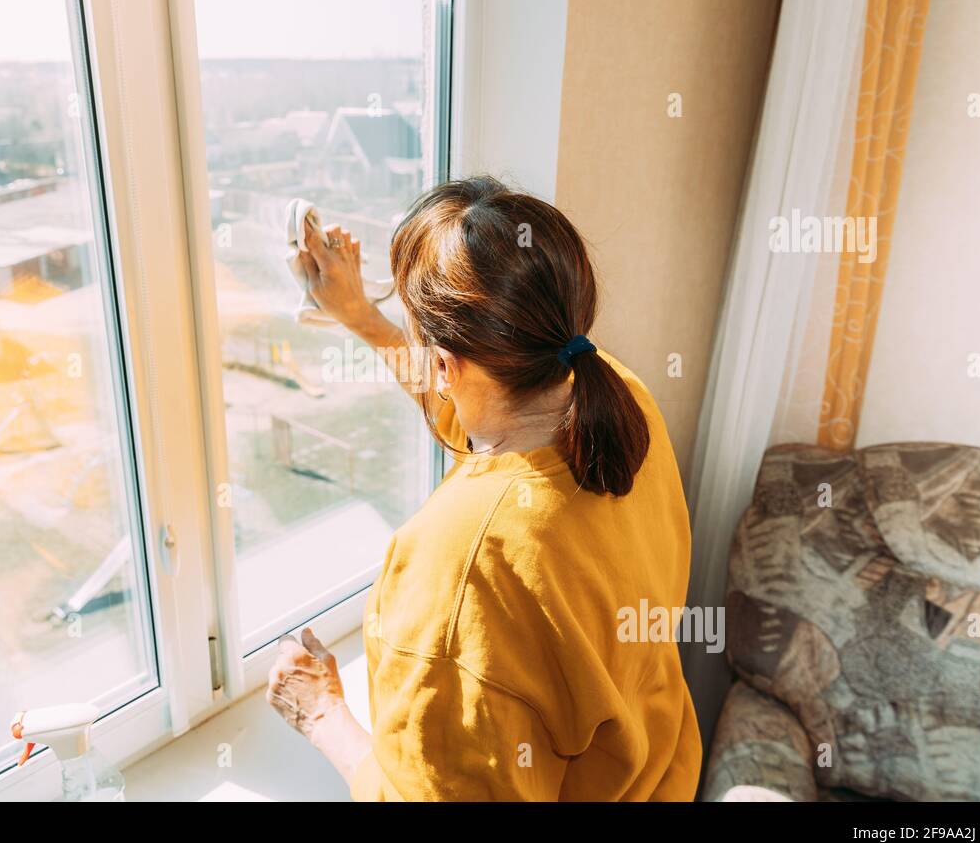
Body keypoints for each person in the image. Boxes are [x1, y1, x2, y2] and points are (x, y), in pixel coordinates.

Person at [266, 176, 701, 801]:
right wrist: (364, 317)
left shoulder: (464, 568)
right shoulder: (619, 402)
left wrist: (322, 714)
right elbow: (484, 407)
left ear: (445, 365)